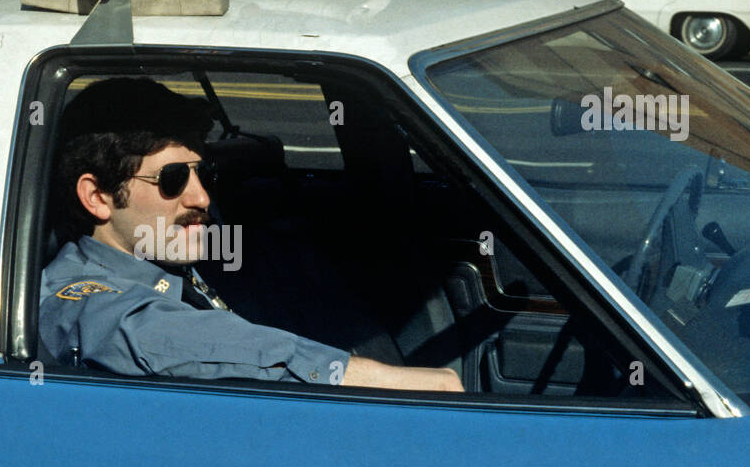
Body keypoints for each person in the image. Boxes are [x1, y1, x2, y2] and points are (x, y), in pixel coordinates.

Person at [39, 77, 464, 392]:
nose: (201, 197)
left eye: (204, 174)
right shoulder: (79, 299)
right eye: (172, 180)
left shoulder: (181, 252)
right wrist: (378, 379)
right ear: (97, 197)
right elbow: (168, 340)